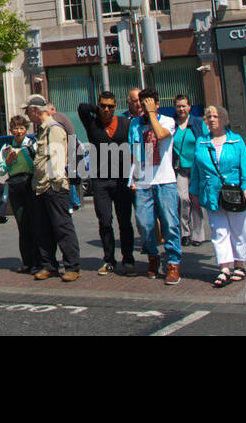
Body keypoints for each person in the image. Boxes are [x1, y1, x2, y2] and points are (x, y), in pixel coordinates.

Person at [192, 105, 246, 288]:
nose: (211, 120)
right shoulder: (202, 142)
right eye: (208, 117)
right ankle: (224, 267)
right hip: (212, 194)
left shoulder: (236, 141)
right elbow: (197, 169)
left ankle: (239, 264)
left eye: (215, 116)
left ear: (224, 119)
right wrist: (194, 191)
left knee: (238, 230)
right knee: (219, 232)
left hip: (234, 193)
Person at [78, 92, 136, 275]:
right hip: (101, 181)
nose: (106, 109)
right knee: (104, 222)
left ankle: (128, 260)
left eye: (110, 106)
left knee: (125, 222)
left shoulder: (126, 124)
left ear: (116, 106)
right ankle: (109, 260)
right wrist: (98, 111)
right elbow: (81, 108)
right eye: (103, 105)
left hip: (122, 180)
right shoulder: (92, 124)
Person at [128, 87, 182, 285]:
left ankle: (173, 263)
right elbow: (133, 150)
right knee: (144, 223)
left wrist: (152, 114)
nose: (144, 107)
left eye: (149, 104)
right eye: (142, 104)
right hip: (143, 180)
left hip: (165, 180)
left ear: (157, 104)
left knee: (170, 223)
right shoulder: (135, 124)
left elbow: (160, 135)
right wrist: (132, 178)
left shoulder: (167, 121)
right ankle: (152, 256)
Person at [30, 97, 79, 281]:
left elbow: (57, 159)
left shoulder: (54, 129)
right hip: (41, 187)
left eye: (28, 111)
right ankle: (49, 265)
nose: (27, 115)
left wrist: (55, 185)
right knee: (43, 229)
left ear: (36, 110)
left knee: (62, 226)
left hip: (53, 186)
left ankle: (72, 266)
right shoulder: (41, 130)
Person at [0, 115, 38, 273]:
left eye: (21, 128)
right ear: (11, 130)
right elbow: (1, 170)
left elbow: (38, 165)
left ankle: (37, 261)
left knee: (34, 223)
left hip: (29, 184)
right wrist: (7, 162)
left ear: (26, 129)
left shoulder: (31, 145)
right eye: (15, 128)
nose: (18, 131)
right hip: (15, 186)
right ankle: (27, 261)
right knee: (22, 224)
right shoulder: (7, 148)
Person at [173, 94, 209, 248]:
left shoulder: (198, 123)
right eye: (178, 106)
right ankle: (185, 233)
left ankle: (198, 235)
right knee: (183, 199)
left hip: (196, 169)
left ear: (189, 107)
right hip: (180, 168)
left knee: (195, 201)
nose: (181, 109)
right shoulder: (172, 124)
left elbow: (207, 143)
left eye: (184, 105)